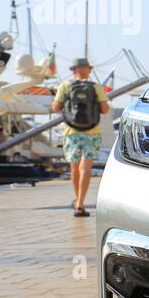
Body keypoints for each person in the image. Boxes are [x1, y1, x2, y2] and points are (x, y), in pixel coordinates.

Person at [51, 57, 111, 216]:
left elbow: (56, 107)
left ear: (74, 70)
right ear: (88, 70)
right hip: (92, 132)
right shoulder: (96, 87)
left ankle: (78, 201)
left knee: (74, 167)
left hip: (72, 132)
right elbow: (105, 110)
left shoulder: (65, 86)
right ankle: (80, 202)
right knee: (86, 167)